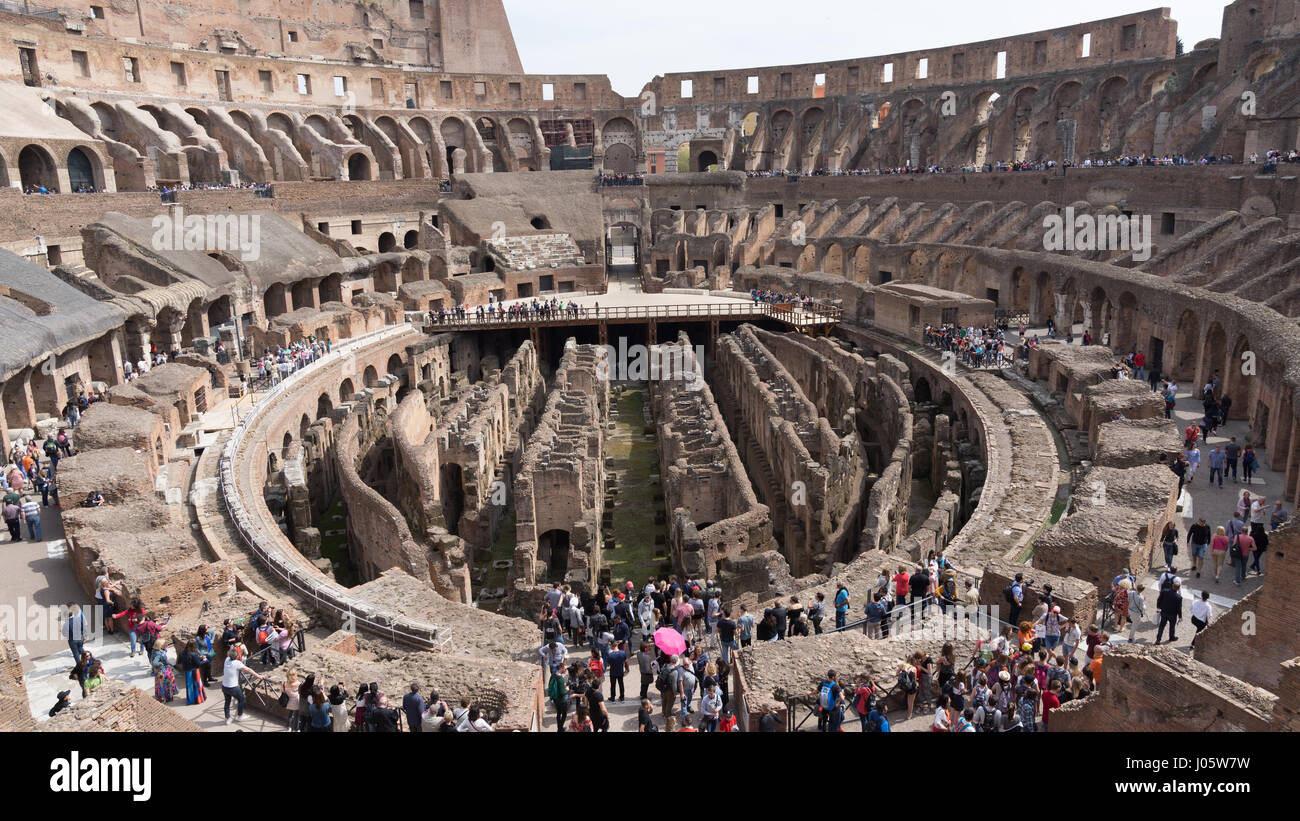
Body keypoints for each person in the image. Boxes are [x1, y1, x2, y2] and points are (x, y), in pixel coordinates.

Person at [221, 647, 265, 724]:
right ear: (237, 656)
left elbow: (229, 653)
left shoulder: (226, 660)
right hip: (233, 687)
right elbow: (248, 670)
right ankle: (239, 716)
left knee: (227, 701)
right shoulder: (237, 663)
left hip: (224, 686)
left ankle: (227, 718)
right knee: (241, 699)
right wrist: (258, 676)